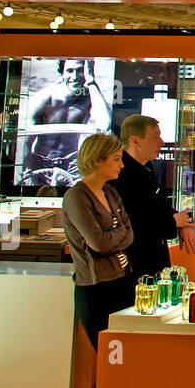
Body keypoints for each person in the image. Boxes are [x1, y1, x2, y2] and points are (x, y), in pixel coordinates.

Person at [62, 133, 134, 352]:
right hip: (95, 289)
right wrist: (116, 233)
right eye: (116, 159)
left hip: (122, 280)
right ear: (96, 160)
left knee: (126, 356)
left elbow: (129, 233)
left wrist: (113, 233)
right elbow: (99, 242)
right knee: (108, 355)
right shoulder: (76, 197)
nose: (121, 165)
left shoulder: (111, 192)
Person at [115, 115, 195, 282]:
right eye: (155, 136)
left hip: (153, 261)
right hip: (134, 266)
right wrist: (174, 223)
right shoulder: (122, 175)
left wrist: (180, 223)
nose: (161, 142)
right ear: (135, 141)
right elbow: (134, 223)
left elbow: (157, 206)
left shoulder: (146, 169)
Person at [22, 59, 114, 187]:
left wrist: (91, 81)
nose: (75, 77)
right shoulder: (44, 98)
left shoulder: (90, 97)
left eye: (80, 71)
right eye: (70, 71)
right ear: (62, 72)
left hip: (73, 164)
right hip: (41, 163)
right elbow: (26, 142)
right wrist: (27, 171)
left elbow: (105, 123)